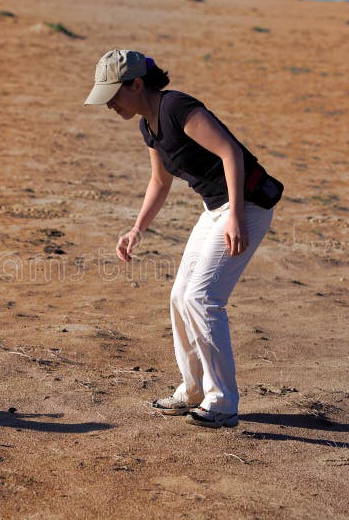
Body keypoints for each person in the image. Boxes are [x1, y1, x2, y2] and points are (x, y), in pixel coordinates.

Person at [84, 50, 283, 428]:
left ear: (137, 84)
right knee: (180, 296)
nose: (109, 104)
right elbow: (160, 181)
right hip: (216, 209)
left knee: (203, 298)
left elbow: (231, 154)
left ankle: (223, 402)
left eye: (113, 94)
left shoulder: (177, 108)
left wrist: (237, 215)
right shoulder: (148, 125)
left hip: (247, 206)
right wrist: (137, 228)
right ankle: (192, 390)